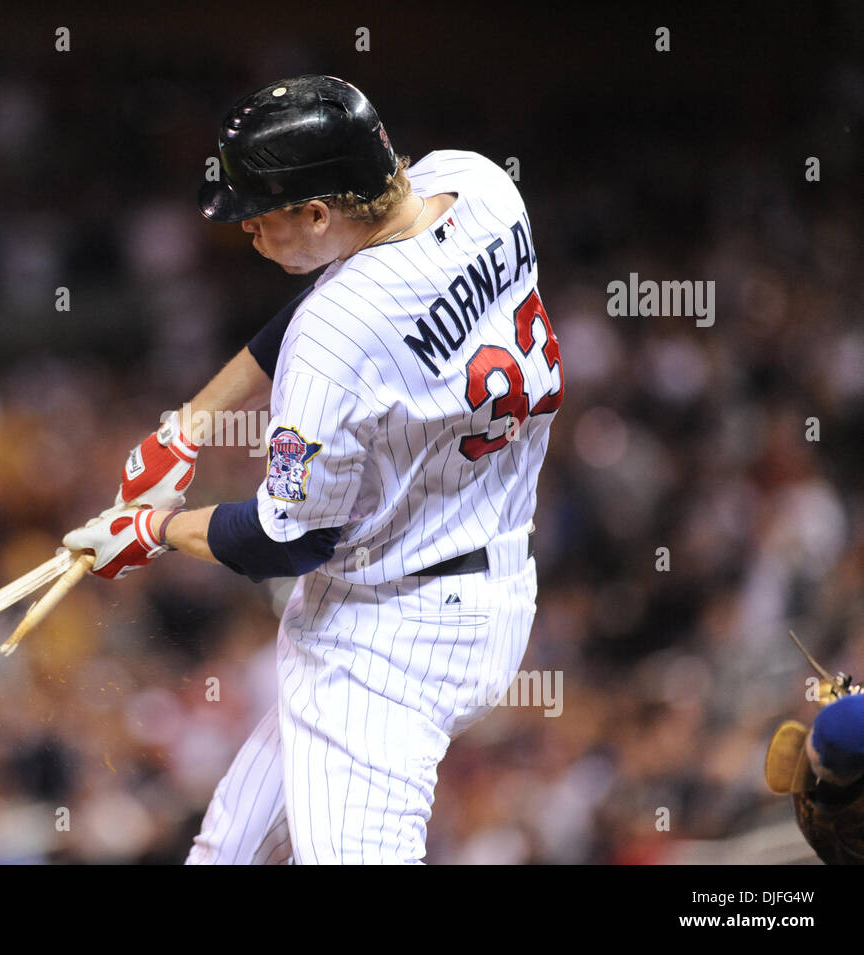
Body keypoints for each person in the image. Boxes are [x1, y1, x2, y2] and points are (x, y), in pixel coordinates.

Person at [63, 74, 564, 864]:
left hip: (389, 636)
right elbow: (352, 287)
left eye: (259, 217)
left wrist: (153, 529)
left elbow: (285, 539)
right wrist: (191, 422)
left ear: (318, 213)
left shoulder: (338, 332)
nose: (249, 234)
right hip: (484, 577)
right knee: (227, 852)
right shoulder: (479, 182)